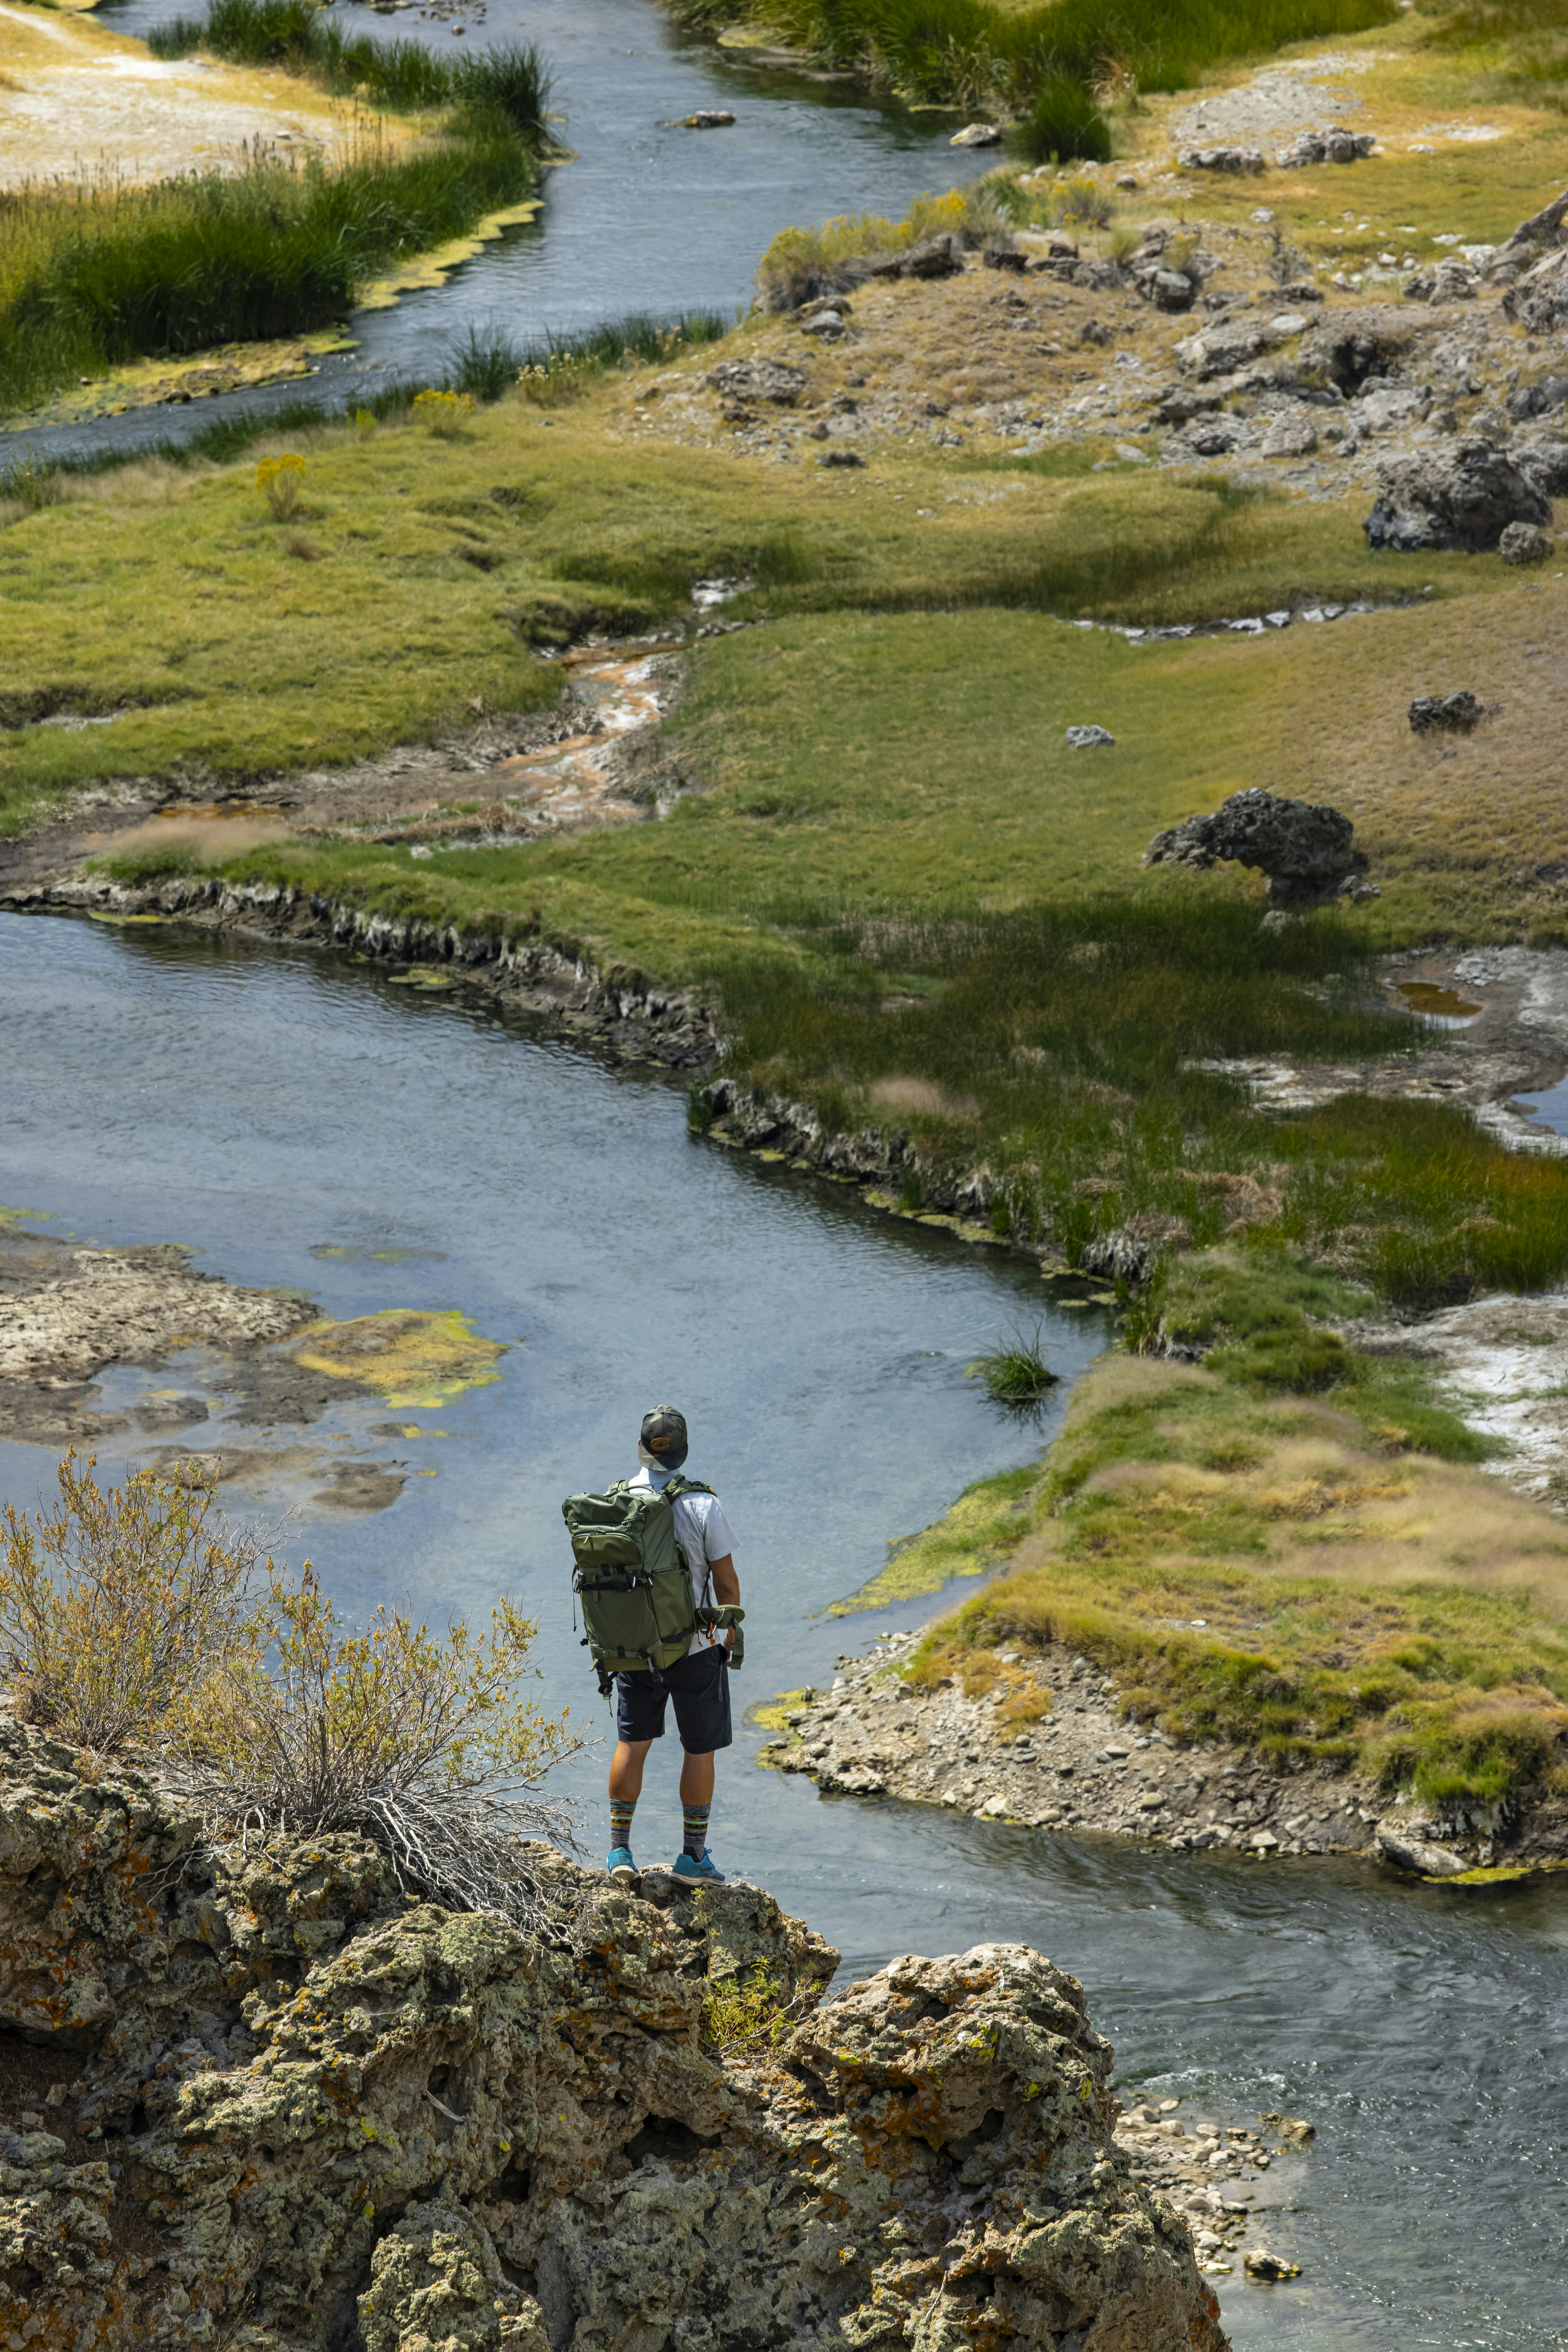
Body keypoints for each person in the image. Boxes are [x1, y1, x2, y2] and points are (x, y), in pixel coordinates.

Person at [606, 1405, 739, 1886]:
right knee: (699, 1751)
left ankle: (620, 1853)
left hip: (633, 1645)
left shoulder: (615, 1499)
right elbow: (726, 1584)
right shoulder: (703, 1504)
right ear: (683, 1452)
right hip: (695, 1646)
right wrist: (730, 1632)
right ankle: (693, 1858)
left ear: (640, 1449)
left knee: (632, 1744)